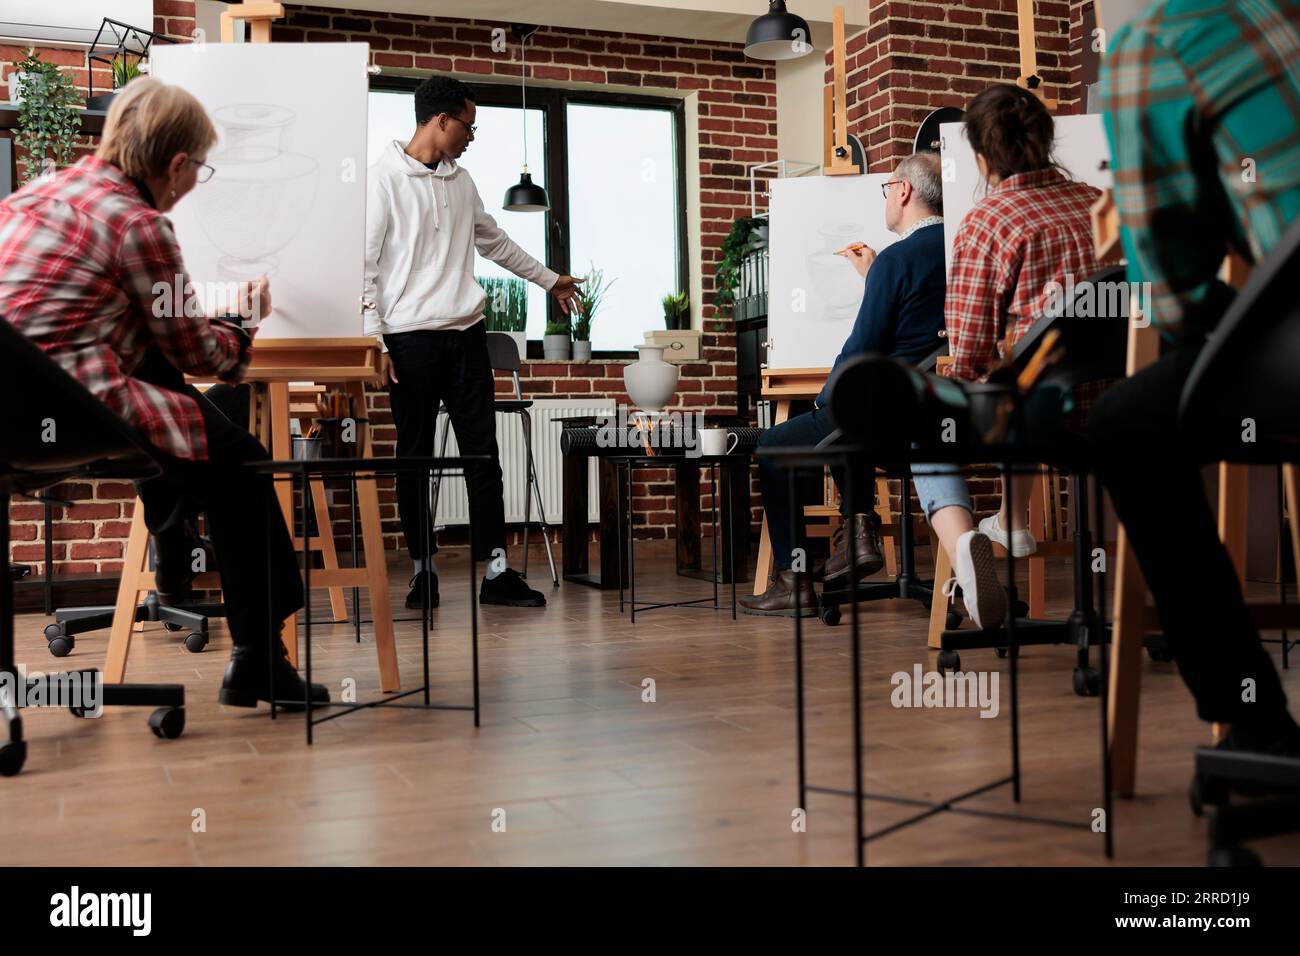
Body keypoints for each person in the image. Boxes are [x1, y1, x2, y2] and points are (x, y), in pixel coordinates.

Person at [0, 79, 325, 708]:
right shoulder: (138, 223)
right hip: (62, 411)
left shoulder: (33, 195)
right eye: (199, 168)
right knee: (242, 462)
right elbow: (199, 354)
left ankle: (176, 555)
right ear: (176, 165)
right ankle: (260, 656)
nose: (194, 182)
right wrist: (245, 323)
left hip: (6, 414)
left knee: (165, 392)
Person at [1091, 0, 1300, 758]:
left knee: (1125, 427)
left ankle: (1257, 731)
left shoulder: (1155, 44)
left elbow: (1169, 297)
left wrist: (1238, 315)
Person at [364, 75, 583, 611]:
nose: (472, 135)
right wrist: (375, 341)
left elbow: (495, 242)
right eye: (468, 124)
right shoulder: (381, 181)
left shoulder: (462, 183)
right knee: (414, 460)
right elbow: (361, 267)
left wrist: (549, 277)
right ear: (440, 120)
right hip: (408, 342)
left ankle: (498, 574)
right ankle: (423, 573)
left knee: (483, 458)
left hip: (465, 338)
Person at [911, 83, 1101, 629]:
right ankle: (1010, 521)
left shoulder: (992, 221)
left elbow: (967, 352)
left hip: (1031, 419)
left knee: (925, 423)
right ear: (1046, 140)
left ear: (980, 156)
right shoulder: (1101, 205)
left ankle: (965, 544)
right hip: (1114, 409)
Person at [741, 152, 946, 617]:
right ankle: (857, 533)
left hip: (887, 421)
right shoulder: (959, 251)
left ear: (903, 191)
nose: (887, 197)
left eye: (887, 187)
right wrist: (875, 277)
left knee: (778, 443)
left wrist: (823, 397)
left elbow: (863, 349)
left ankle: (795, 581)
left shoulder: (897, 260)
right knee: (844, 422)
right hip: (938, 416)